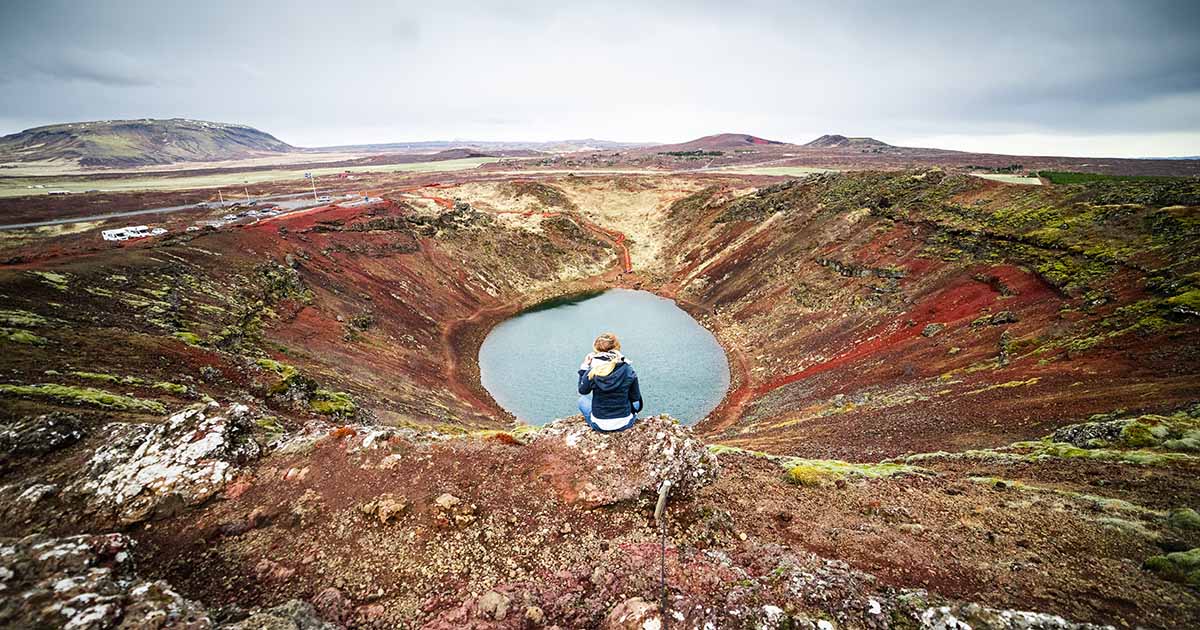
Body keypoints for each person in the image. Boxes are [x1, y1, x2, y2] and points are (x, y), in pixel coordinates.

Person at [578, 332, 643, 432]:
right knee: (637, 403)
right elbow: (635, 397)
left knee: (582, 400)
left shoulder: (593, 371)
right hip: (624, 423)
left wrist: (584, 367)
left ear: (596, 350)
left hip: (600, 424)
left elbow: (582, 391)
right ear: (616, 348)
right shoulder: (627, 369)